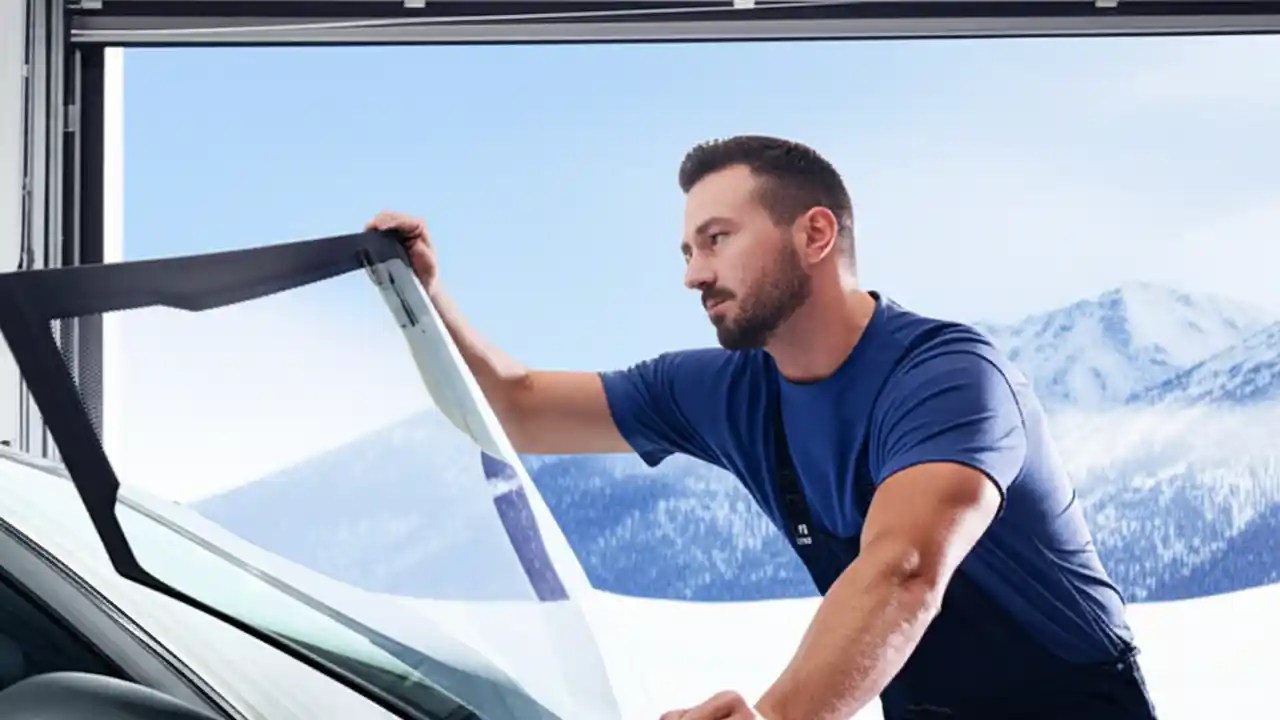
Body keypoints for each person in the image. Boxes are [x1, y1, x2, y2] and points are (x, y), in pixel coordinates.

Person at [365, 135, 1158, 720]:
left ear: (814, 235)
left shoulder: (949, 377)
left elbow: (905, 568)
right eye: (685, 249)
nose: (692, 273)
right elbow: (518, 408)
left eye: (716, 239)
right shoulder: (721, 389)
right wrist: (422, 300)